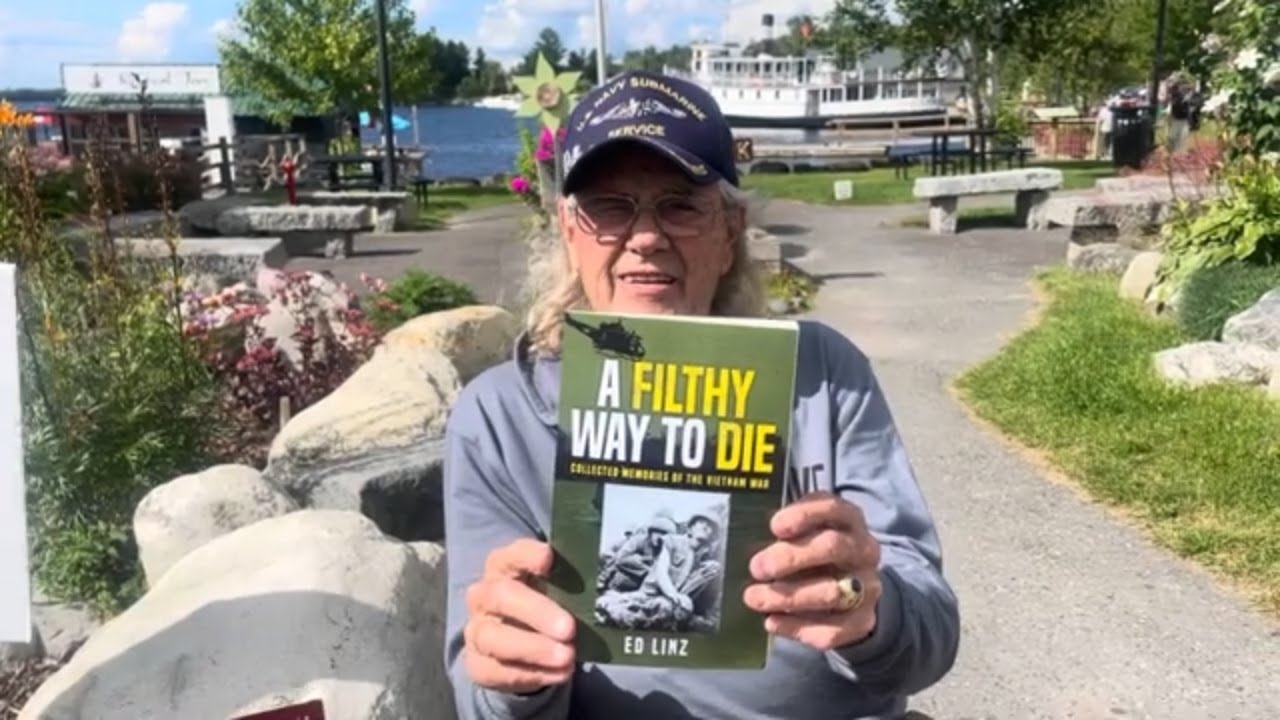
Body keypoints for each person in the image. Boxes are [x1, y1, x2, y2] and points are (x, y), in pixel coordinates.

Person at [441, 69, 960, 719]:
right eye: (609, 206)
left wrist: (872, 610)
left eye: (680, 205)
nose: (647, 235)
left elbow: (933, 637)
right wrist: (511, 678)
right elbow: (481, 698)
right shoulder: (498, 416)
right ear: (570, 233)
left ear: (730, 231)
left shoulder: (823, 372)